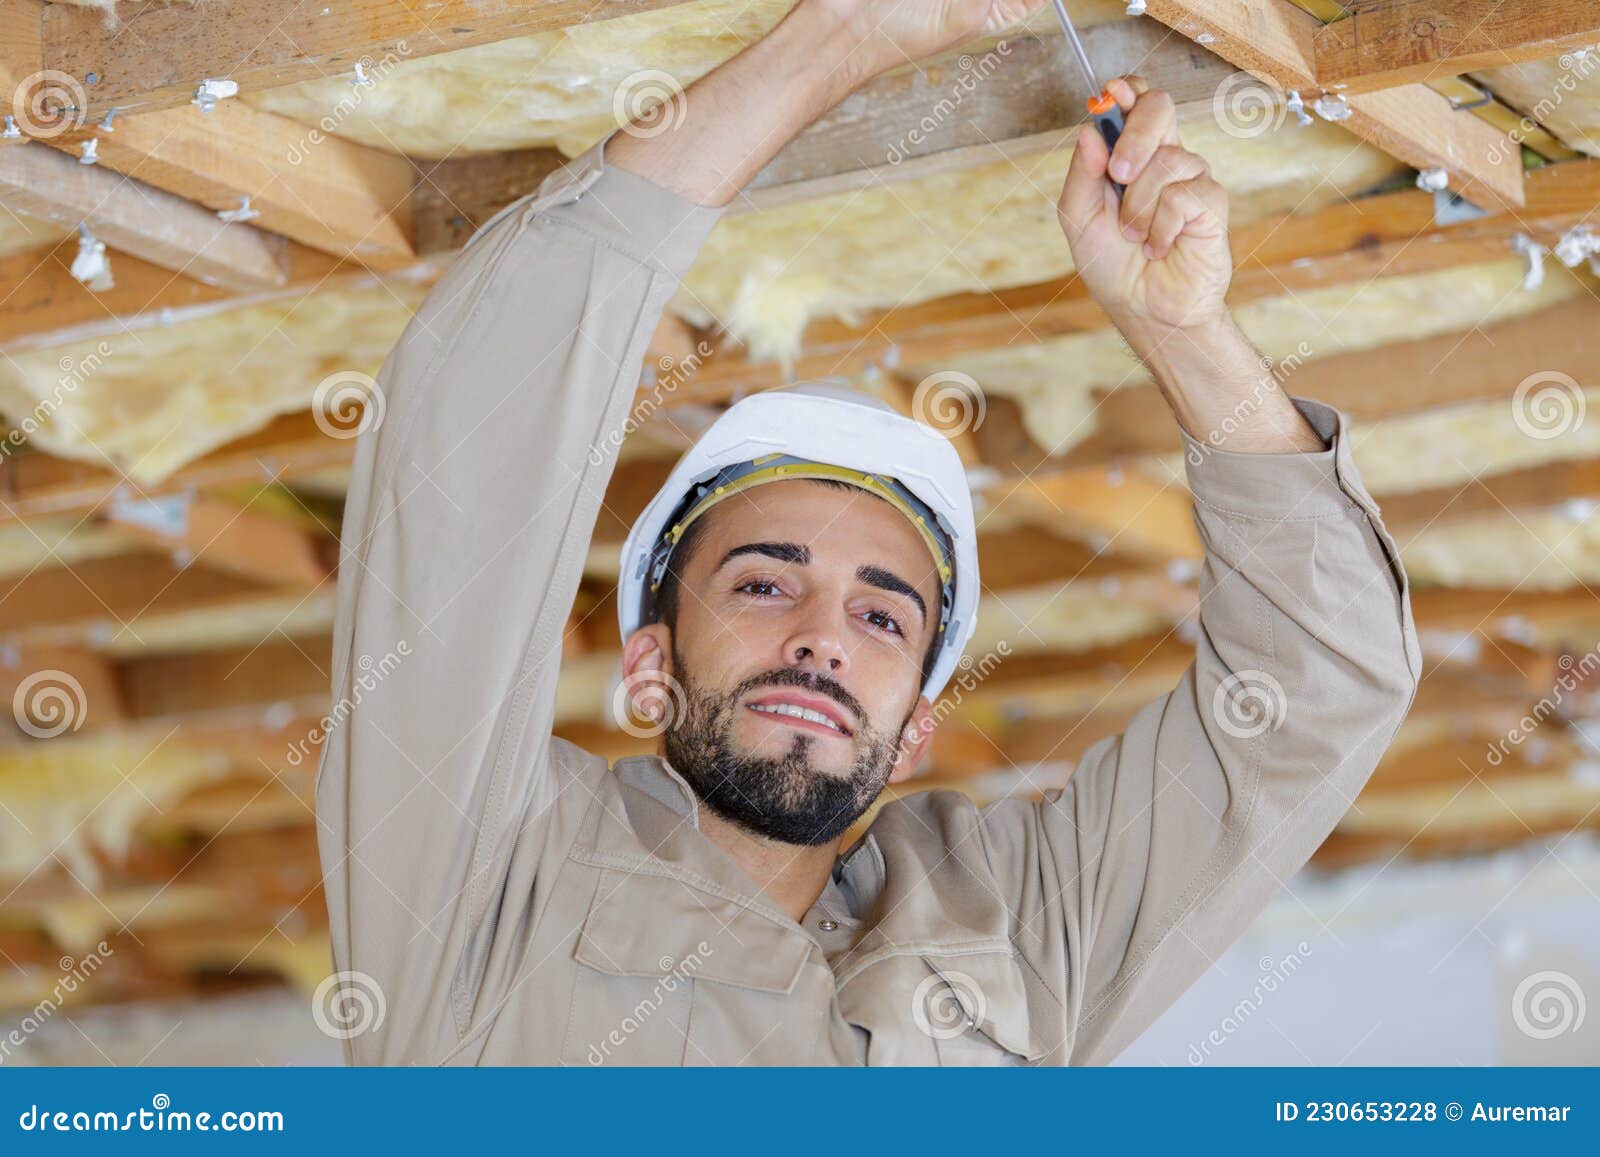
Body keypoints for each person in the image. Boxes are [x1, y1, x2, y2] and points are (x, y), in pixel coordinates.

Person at [317, 0, 1420, 1065]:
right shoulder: (486, 877)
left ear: (913, 731)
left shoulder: (1020, 927)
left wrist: (1178, 331)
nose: (822, 637)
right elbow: (475, 423)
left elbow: (1316, 688)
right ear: (647, 659)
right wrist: (844, 34)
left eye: (883, 613)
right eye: (760, 584)